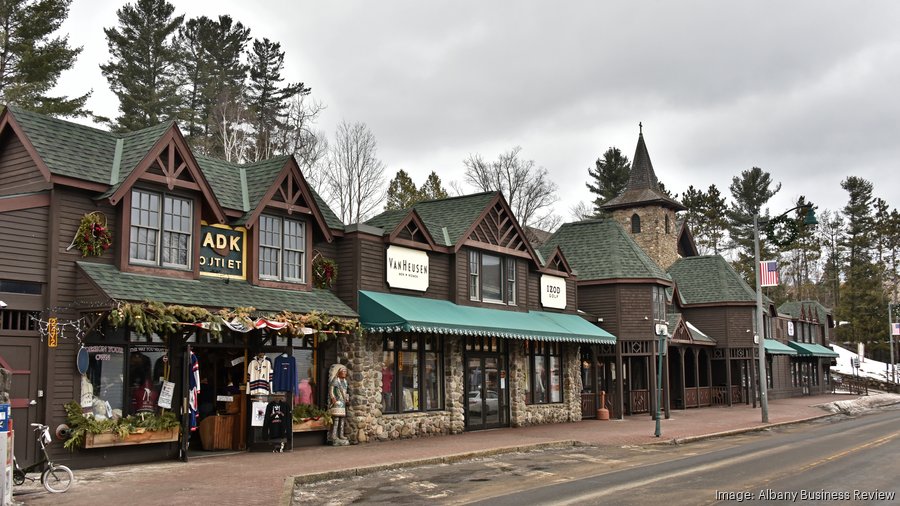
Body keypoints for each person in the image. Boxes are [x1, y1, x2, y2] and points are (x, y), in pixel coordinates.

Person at [328, 364, 349, 446]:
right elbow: (331, 390)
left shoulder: (345, 382)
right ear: (339, 373)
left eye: (345, 372)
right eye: (343, 372)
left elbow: (345, 391)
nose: (344, 373)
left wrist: (347, 398)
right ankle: (333, 435)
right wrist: (333, 398)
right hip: (337, 402)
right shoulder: (336, 381)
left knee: (342, 419)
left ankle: (341, 434)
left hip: (343, 402)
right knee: (336, 418)